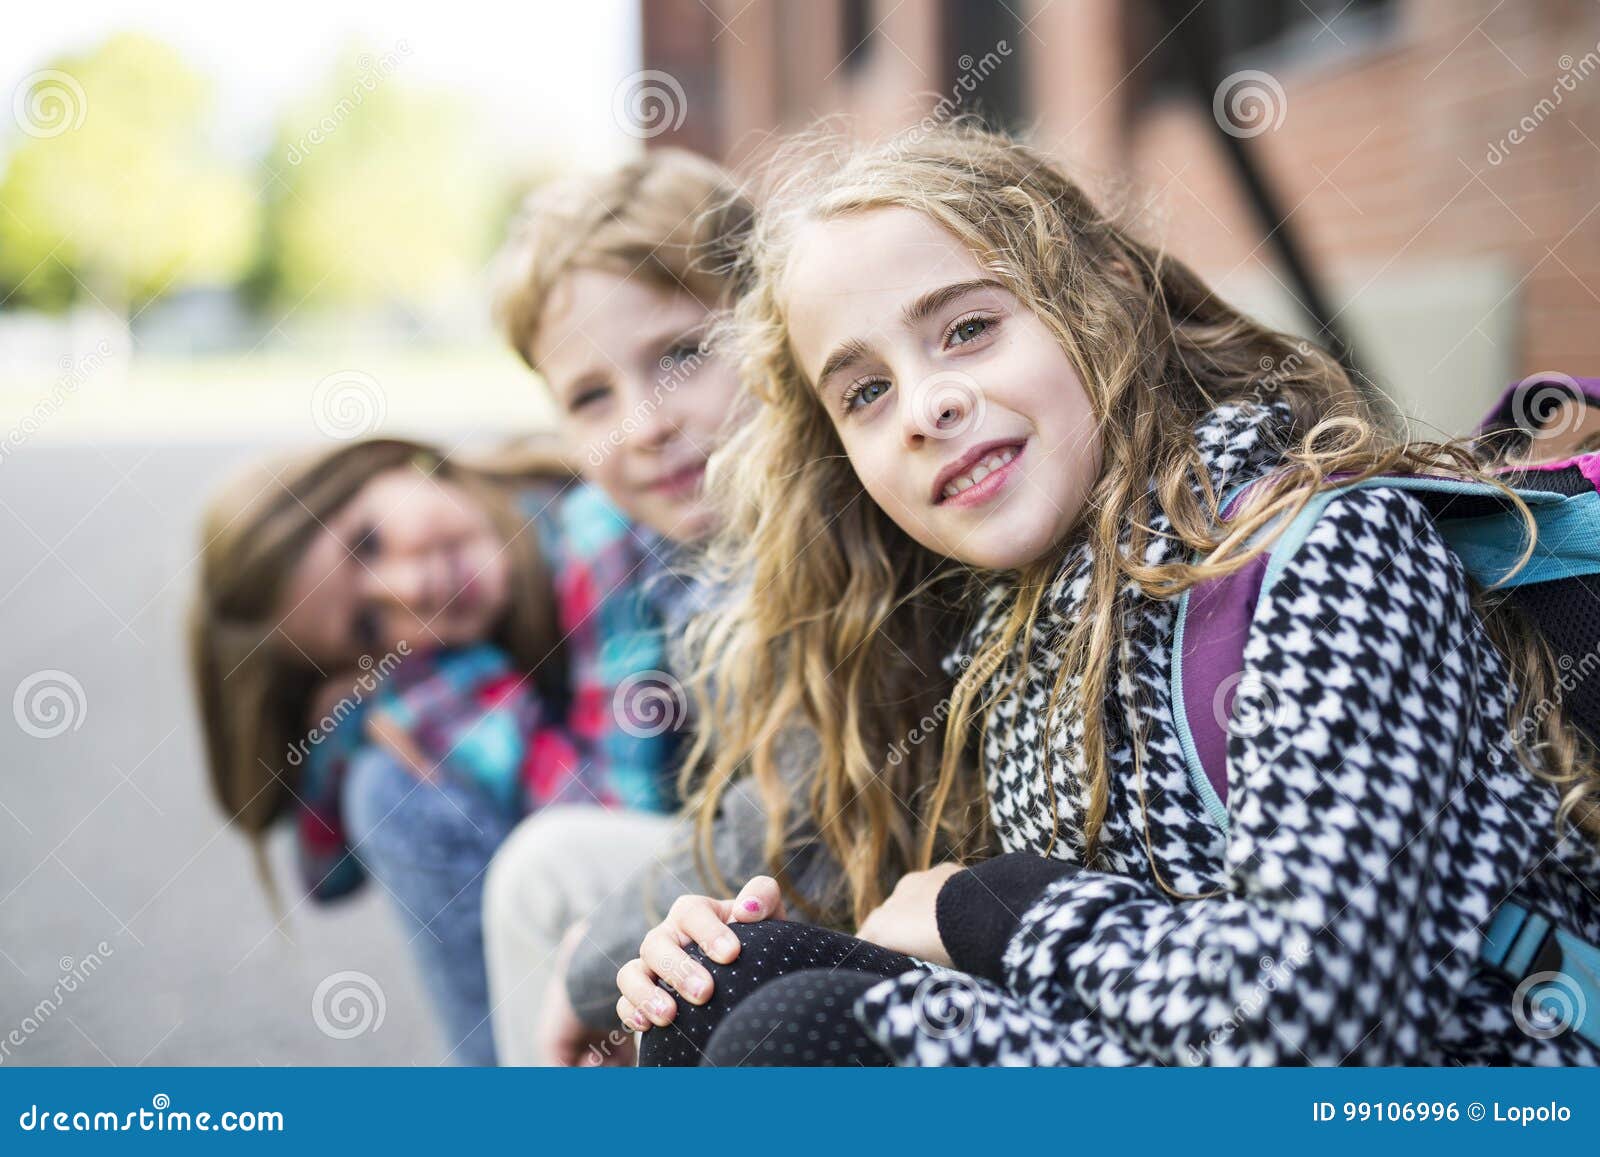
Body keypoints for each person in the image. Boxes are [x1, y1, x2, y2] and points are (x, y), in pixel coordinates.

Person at [620, 123, 1600, 1066]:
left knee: (791, 1037)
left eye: (967, 329)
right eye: (865, 391)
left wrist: (994, 908)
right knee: (726, 988)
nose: (925, 405)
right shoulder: (998, 643)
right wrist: (723, 946)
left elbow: (1317, 1026)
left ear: (1106, 293)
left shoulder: (1329, 555)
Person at [480, 148, 865, 1065]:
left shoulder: (828, 518)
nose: (642, 423)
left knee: (556, 887)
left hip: (860, 882)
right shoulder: (656, 553)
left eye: (682, 356)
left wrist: (595, 964)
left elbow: (794, 826)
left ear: (773, 323)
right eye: (589, 396)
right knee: (547, 865)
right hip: (770, 878)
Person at [191, 433, 684, 1065]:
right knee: (384, 785)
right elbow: (326, 874)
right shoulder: (435, 655)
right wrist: (353, 710)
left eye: (366, 541)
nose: (406, 591)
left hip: (737, 870)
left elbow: (616, 823)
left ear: (386, 463)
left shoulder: (593, 531)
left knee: (395, 791)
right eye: (368, 628)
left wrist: (441, 696)